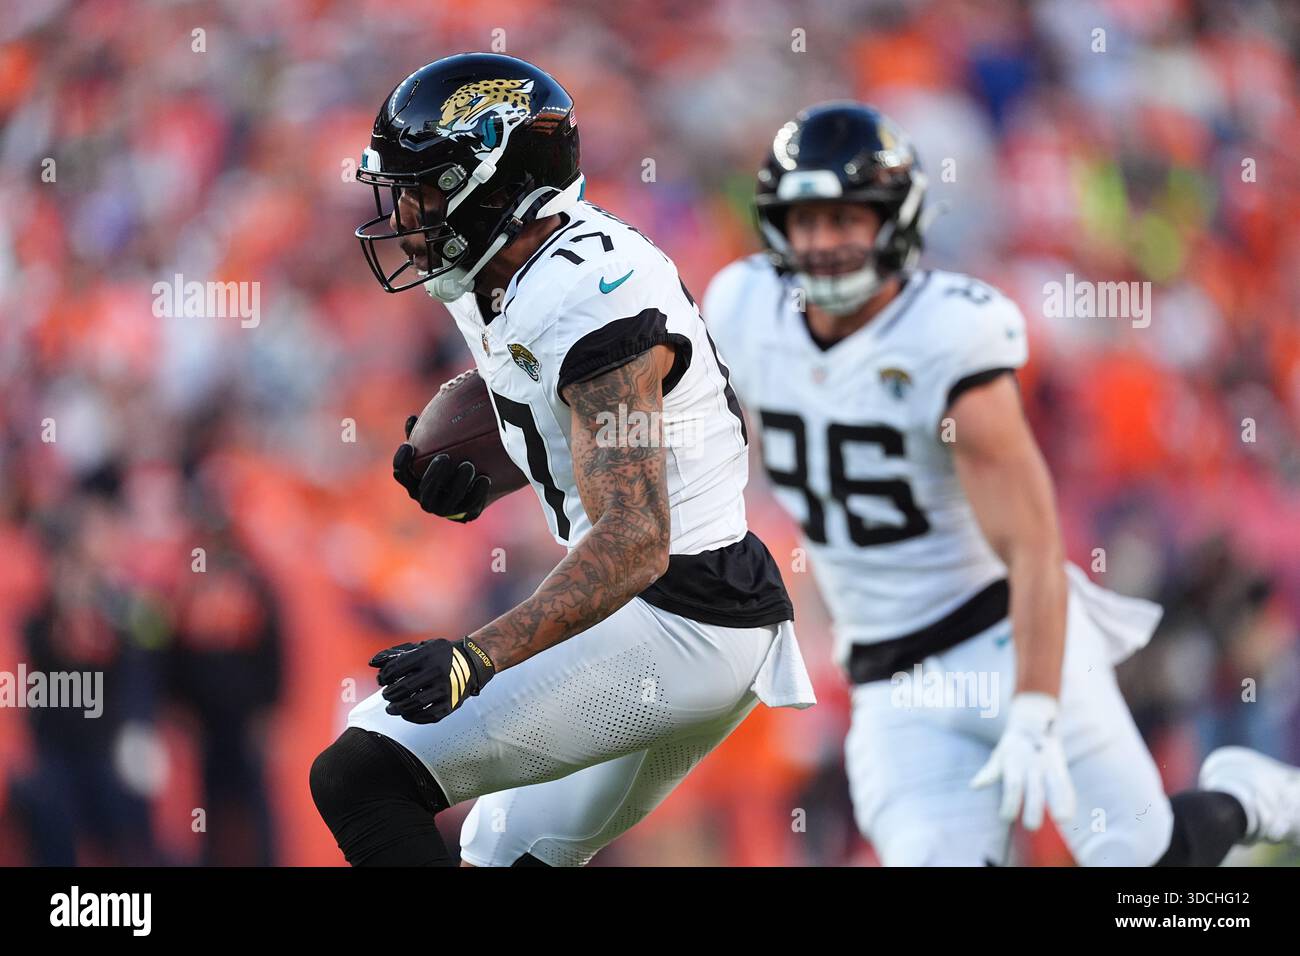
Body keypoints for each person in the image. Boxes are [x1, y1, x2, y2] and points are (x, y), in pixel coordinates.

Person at [702, 101, 1300, 865]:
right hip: (889, 675)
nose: (823, 243)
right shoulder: (743, 308)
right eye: (807, 219)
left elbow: (1031, 544)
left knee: (1141, 865)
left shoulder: (946, 340)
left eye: (846, 219)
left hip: (1003, 632)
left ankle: (1255, 798)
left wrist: (1036, 708)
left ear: (895, 222)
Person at [309, 52, 815, 867]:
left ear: (497, 183)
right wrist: (494, 470)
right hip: (691, 610)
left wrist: (475, 660)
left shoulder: (583, 297)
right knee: (503, 856)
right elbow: (577, 418)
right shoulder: (507, 267)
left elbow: (636, 538)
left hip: (675, 612)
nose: (407, 208)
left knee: (362, 773)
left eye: (429, 184)